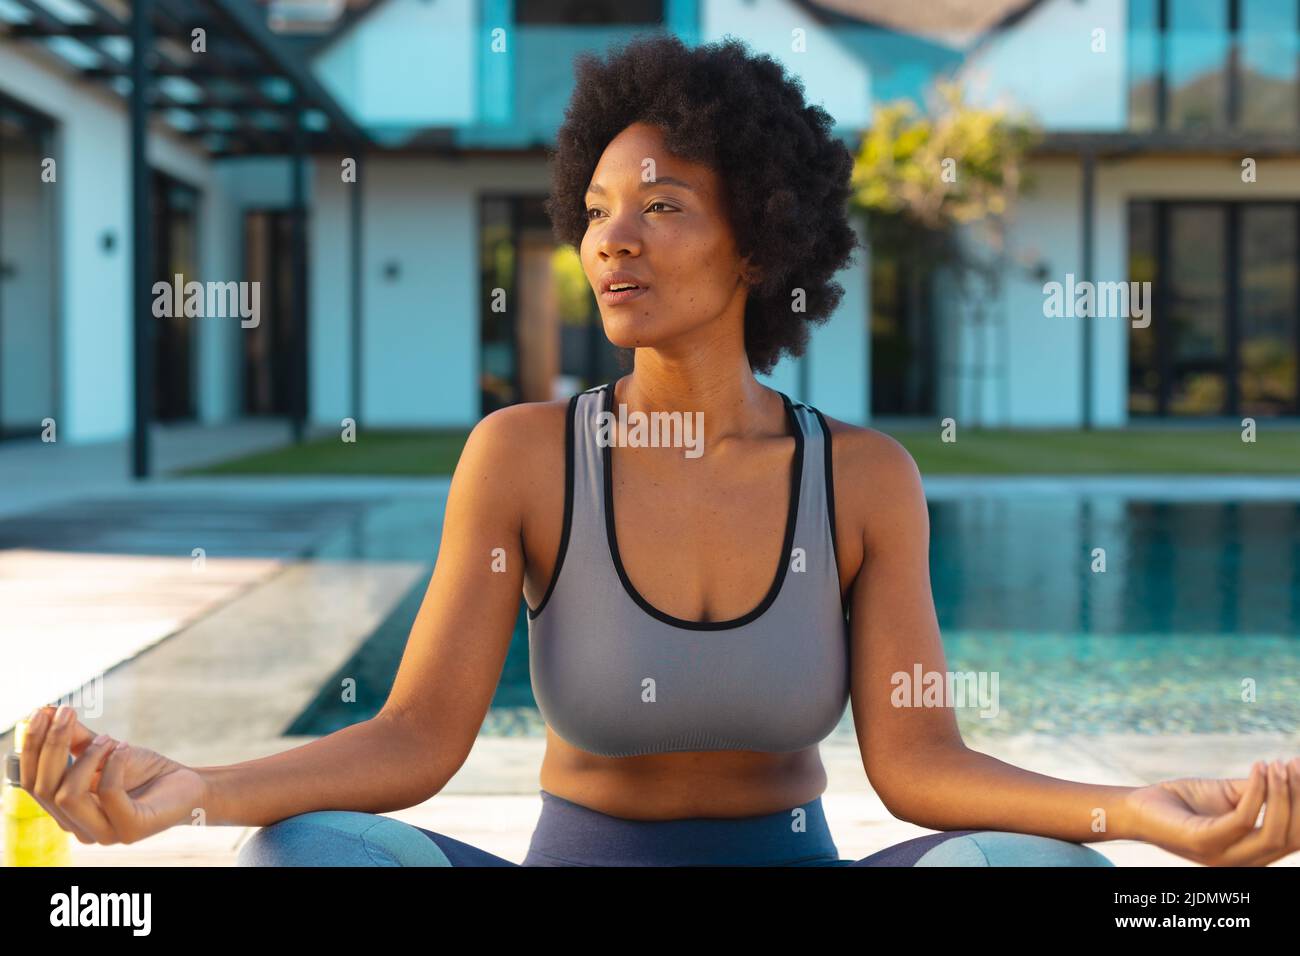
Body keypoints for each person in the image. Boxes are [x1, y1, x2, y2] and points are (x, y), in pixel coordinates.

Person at [19, 34, 1298, 868]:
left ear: (760, 241)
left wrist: (1128, 812)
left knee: (1048, 869)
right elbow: (412, 735)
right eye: (596, 212)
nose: (611, 242)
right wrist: (191, 785)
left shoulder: (862, 480)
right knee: (303, 856)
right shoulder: (520, 457)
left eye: (662, 208)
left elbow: (919, 766)